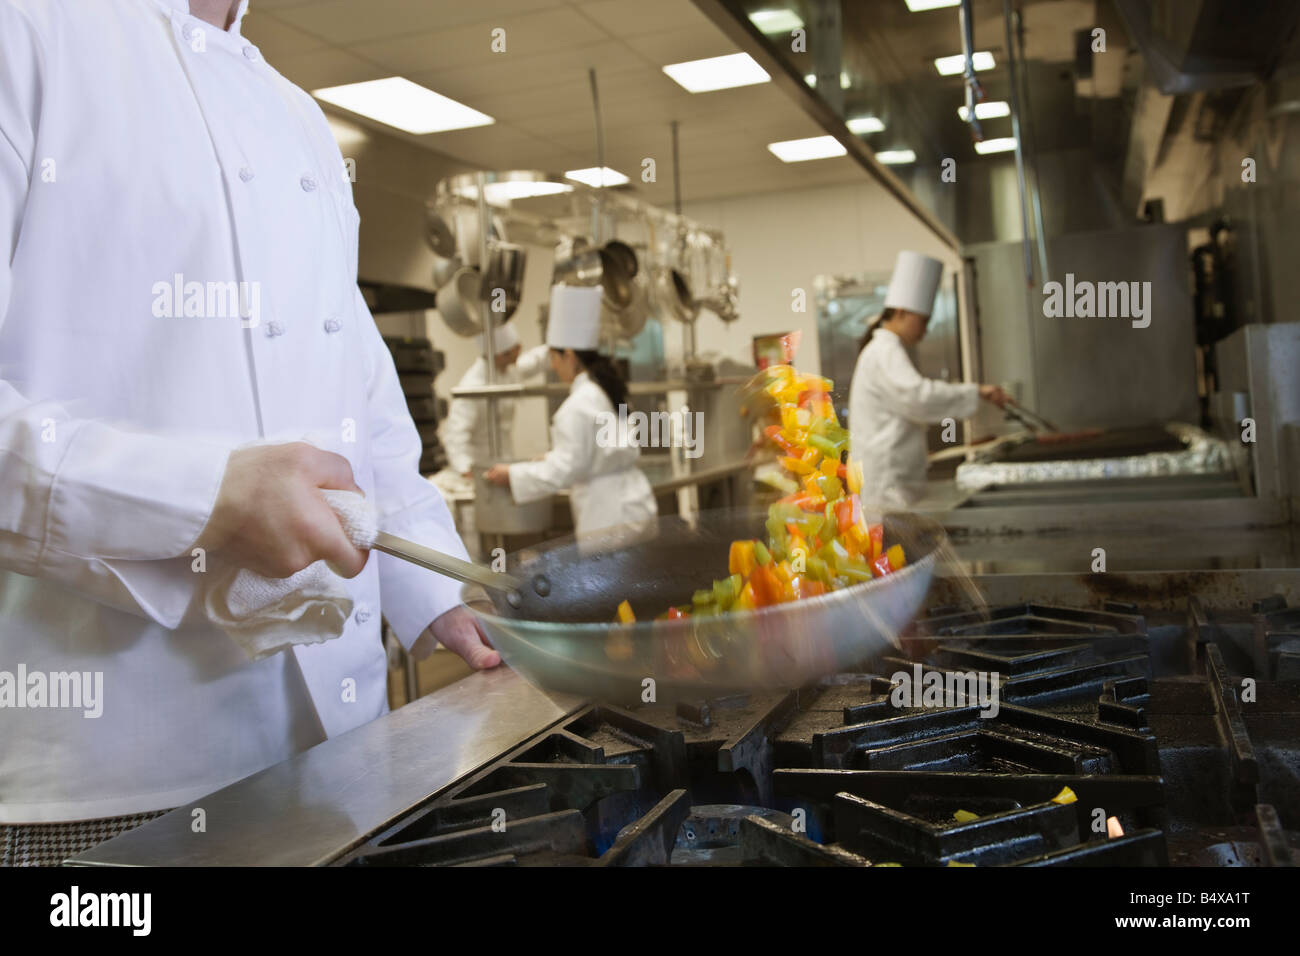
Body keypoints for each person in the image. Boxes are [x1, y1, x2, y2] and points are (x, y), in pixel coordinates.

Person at [0, 0, 498, 865]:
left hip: (343, 744)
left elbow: (365, 400)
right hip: (114, 778)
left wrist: (441, 594)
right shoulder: (27, 32)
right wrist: (206, 499)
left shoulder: (297, 115)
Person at [484, 285, 658, 541]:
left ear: (569, 355)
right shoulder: (606, 390)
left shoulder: (577, 405)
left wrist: (512, 474)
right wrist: (552, 456)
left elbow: (564, 470)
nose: (553, 367)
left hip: (609, 517)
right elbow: (593, 451)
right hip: (636, 505)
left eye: (554, 358)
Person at [848, 251, 1011, 509]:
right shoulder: (884, 351)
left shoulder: (887, 350)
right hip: (886, 486)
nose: (926, 329)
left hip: (892, 482)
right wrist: (976, 391)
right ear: (901, 313)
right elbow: (917, 398)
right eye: (923, 321)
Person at [440, 321, 548, 477]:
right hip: (482, 467)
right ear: (499, 355)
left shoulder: (507, 370)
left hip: (505, 462)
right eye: (515, 349)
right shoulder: (473, 386)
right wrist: (467, 471)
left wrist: (557, 347)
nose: (520, 349)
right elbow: (455, 436)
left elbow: (535, 361)